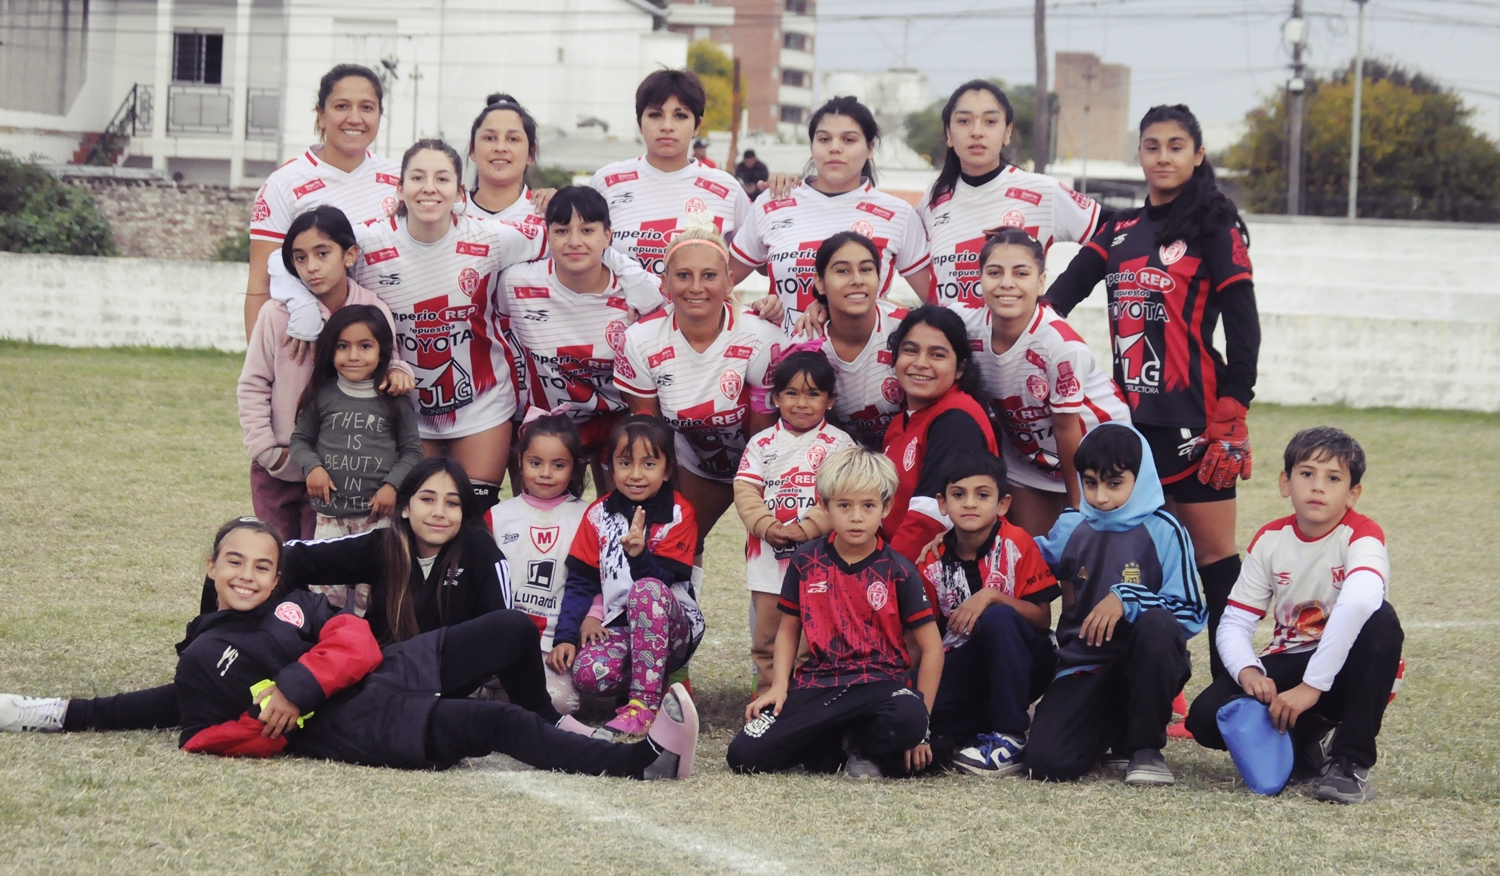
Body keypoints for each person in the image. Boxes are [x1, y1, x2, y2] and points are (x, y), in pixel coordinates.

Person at [0, 518, 700, 779]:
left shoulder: (292, 604)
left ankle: (560, 729)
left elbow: (356, 638)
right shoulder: (201, 658)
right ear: (211, 569)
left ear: (278, 574)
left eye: (262, 565)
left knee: (513, 629)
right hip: (358, 725)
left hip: (390, 670)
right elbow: (192, 728)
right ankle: (636, 764)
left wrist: (299, 684)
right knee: (494, 725)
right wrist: (46, 712)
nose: (247, 575)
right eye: (233, 563)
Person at [1046, 104, 1260, 686]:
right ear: (1139, 153)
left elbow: (1243, 320)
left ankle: (1226, 686)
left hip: (1195, 419)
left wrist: (1234, 404)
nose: (1162, 157)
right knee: (1127, 552)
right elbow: (1055, 303)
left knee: (1213, 557)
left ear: (1197, 154)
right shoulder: (1116, 227)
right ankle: (1142, 688)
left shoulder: (1216, 225)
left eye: (1175, 146)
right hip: (1126, 425)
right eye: (1151, 146)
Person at [1185, 427, 1403, 804]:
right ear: (1286, 483)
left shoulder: (1364, 535)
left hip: (1345, 666)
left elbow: (1358, 604)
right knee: (1204, 719)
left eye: (1333, 478)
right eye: (1307, 474)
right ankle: (1306, 740)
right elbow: (1235, 620)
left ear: (1353, 494)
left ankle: (1351, 761)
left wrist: (1311, 688)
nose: (1318, 487)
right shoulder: (1270, 539)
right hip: (1291, 655)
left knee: (1381, 619)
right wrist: (1247, 669)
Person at [726, 447, 943, 778]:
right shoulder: (805, 561)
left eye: (868, 505)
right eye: (844, 505)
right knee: (744, 755)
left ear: (885, 507)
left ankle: (850, 745)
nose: (856, 517)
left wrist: (923, 726)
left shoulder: (899, 570)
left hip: (880, 685)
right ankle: (843, 745)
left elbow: (931, 649)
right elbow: (788, 630)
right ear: (825, 506)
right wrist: (779, 686)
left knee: (909, 721)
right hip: (820, 685)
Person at [1025, 424, 1206, 786]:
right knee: (1046, 764)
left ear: (1140, 479)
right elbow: (1026, 557)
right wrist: (964, 538)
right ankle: (1111, 728)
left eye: (1114, 483)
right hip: (1083, 666)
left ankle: (1144, 749)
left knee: (1159, 625)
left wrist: (1127, 598)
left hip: (1145, 663)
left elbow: (1191, 612)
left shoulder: (1166, 530)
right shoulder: (1074, 525)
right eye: (1090, 483)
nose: (1101, 497)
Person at [239, 205, 413, 542]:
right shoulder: (277, 315)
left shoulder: (373, 309)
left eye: (322, 253)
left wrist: (399, 371)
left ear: (349, 255)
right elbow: (253, 383)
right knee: (276, 559)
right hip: (281, 465)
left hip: (343, 469)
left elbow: (390, 361)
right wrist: (266, 451)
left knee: (322, 568)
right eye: (300, 258)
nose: (312, 267)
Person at [614, 222, 783, 550]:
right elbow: (650, 436)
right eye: (683, 275)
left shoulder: (761, 335)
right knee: (668, 546)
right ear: (664, 283)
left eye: (709, 275)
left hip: (768, 461)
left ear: (729, 280)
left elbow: (769, 438)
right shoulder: (641, 340)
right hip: (696, 465)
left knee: (782, 550)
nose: (696, 287)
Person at [961, 229, 1129, 536]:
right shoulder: (965, 328)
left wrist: (1079, 508)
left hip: (1095, 450)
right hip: (1028, 461)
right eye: (994, 272)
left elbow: (1067, 428)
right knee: (1034, 559)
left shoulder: (1061, 346)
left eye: (1021, 273)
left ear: (1041, 282)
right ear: (979, 279)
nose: (1007, 283)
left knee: (1086, 558)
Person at [498, 186, 667, 489]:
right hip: (548, 421)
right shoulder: (516, 282)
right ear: (547, 235)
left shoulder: (640, 291)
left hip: (617, 418)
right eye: (562, 231)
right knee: (546, 513)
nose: (574, 242)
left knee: (623, 511)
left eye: (587, 230)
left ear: (608, 236)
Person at [548, 415, 702, 739]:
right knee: (589, 674)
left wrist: (639, 555)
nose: (635, 474)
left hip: (674, 627)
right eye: (625, 462)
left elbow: (663, 584)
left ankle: (643, 707)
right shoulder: (598, 513)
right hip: (620, 626)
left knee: (646, 591)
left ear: (667, 469)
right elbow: (581, 582)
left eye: (648, 463)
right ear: (610, 466)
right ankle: (646, 681)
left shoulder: (679, 513)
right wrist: (570, 632)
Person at [730, 96, 932, 333]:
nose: (835, 147)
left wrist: (885, 312)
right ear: (812, 146)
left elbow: (935, 302)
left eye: (849, 139)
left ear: (870, 149)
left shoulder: (897, 214)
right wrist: (755, 309)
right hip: (786, 363)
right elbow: (717, 284)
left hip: (869, 365)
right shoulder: (773, 202)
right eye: (824, 139)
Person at [915, 453, 1060, 775]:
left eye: (982, 495)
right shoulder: (931, 560)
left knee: (998, 617)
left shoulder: (1017, 542)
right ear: (942, 503)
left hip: (1025, 659)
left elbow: (1041, 618)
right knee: (913, 704)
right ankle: (970, 731)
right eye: (958, 494)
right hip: (966, 662)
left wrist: (991, 597)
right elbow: (926, 637)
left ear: (1003, 504)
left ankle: (1011, 733)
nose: (970, 504)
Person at [246, 64, 400, 345]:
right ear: (321, 114)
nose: (354, 118)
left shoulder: (400, 180)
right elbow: (259, 287)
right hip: (307, 344)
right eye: (341, 106)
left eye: (367, 107)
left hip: (381, 347)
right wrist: (261, 366)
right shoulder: (284, 183)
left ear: (379, 115)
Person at [918, 80, 1104, 308]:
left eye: (990, 122)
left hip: (1018, 343)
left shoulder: (1041, 191)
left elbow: (1118, 231)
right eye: (964, 121)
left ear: (1007, 132)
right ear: (948, 133)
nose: (977, 132)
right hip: (950, 342)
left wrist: (1058, 302)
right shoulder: (933, 199)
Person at [734, 350, 854, 696]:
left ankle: (803, 698)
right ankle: (769, 694)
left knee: (810, 636)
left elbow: (842, 495)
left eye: (813, 393)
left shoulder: (840, 445)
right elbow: (745, 489)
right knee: (767, 636)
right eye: (792, 393)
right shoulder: (761, 443)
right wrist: (767, 526)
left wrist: (807, 529)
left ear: (830, 401)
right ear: (776, 397)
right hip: (768, 560)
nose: (802, 403)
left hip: (820, 560)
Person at [289, 305, 424, 558]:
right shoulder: (322, 394)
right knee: (327, 584)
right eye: (342, 346)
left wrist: (392, 487)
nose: (353, 356)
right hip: (330, 515)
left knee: (373, 589)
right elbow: (300, 440)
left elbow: (413, 451)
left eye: (365, 346)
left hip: (378, 517)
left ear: (381, 349)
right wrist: (313, 468)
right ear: (330, 350)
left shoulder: (393, 398)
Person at [589, 70, 752, 278]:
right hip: (619, 312)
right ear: (639, 123)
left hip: (692, 312)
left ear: (697, 126)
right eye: (655, 115)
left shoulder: (727, 190)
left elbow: (758, 255)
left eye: (680, 115)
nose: (667, 126)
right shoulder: (606, 182)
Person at [489, 413, 591, 716]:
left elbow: (593, 583)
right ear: (520, 461)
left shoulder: (587, 516)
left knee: (562, 704)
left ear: (574, 467)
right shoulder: (497, 516)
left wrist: (568, 639)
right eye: (536, 463)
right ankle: (502, 691)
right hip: (503, 640)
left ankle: (507, 696)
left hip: (555, 646)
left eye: (558, 465)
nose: (546, 473)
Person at [879, 305, 998, 562]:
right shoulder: (901, 421)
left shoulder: (956, 419)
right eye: (910, 350)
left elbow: (932, 516)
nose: (920, 363)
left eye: (937, 355)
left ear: (959, 368)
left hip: (941, 573)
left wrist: (882, 575)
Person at [794, 232, 909, 449]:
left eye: (866, 269)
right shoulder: (805, 341)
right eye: (843, 271)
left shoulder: (907, 328)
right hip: (841, 468)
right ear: (820, 283)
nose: (857, 280)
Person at [464, 93, 553, 224]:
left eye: (513, 139)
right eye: (490, 138)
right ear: (472, 150)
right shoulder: (449, 211)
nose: (500, 148)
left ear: (531, 154)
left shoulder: (549, 216)